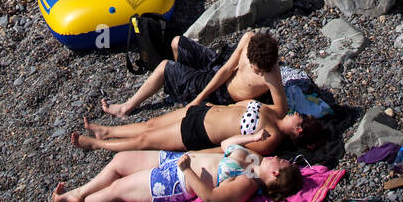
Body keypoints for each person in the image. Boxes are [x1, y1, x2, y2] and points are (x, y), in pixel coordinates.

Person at [53, 142, 303, 202]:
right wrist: (250, 139)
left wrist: (187, 171)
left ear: (275, 172)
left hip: (177, 181)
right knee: (119, 161)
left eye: (279, 160)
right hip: (178, 161)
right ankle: (80, 191)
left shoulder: (248, 185)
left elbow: (211, 197)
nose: (277, 157)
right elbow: (227, 144)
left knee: (117, 188)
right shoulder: (254, 161)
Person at [101, 29, 287, 118]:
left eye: (261, 72)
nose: (259, 73)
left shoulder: (271, 74)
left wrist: (247, 105)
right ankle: (183, 90)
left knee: (165, 66)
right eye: (256, 69)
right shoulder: (249, 39)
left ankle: (126, 107)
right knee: (176, 41)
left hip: (223, 94)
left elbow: (280, 109)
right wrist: (200, 96)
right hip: (217, 69)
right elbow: (226, 69)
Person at [72, 97, 323, 156]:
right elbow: (236, 105)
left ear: (298, 129)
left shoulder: (271, 139)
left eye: (299, 117)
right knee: (148, 125)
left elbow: (230, 150)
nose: (294, 113)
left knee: (145, 141)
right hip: (203, 111)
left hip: (199, 133)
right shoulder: (271, 110)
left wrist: (196, 155)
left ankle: (97, 144)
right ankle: (107, 131)